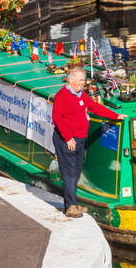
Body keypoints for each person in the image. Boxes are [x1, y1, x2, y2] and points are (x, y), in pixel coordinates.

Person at [52, 63, 123, 219]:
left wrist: (115, 116)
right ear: (71, 80)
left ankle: (72, 203)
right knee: (69, 172)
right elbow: (57, 119)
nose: (83, 83)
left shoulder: (81, 95)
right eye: (81, 80)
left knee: (76, 171)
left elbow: (95, 107)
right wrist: (68, 137)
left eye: (84, 80)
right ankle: (71, 207)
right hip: (67, 140)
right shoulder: (62, 96)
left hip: (79, 138)